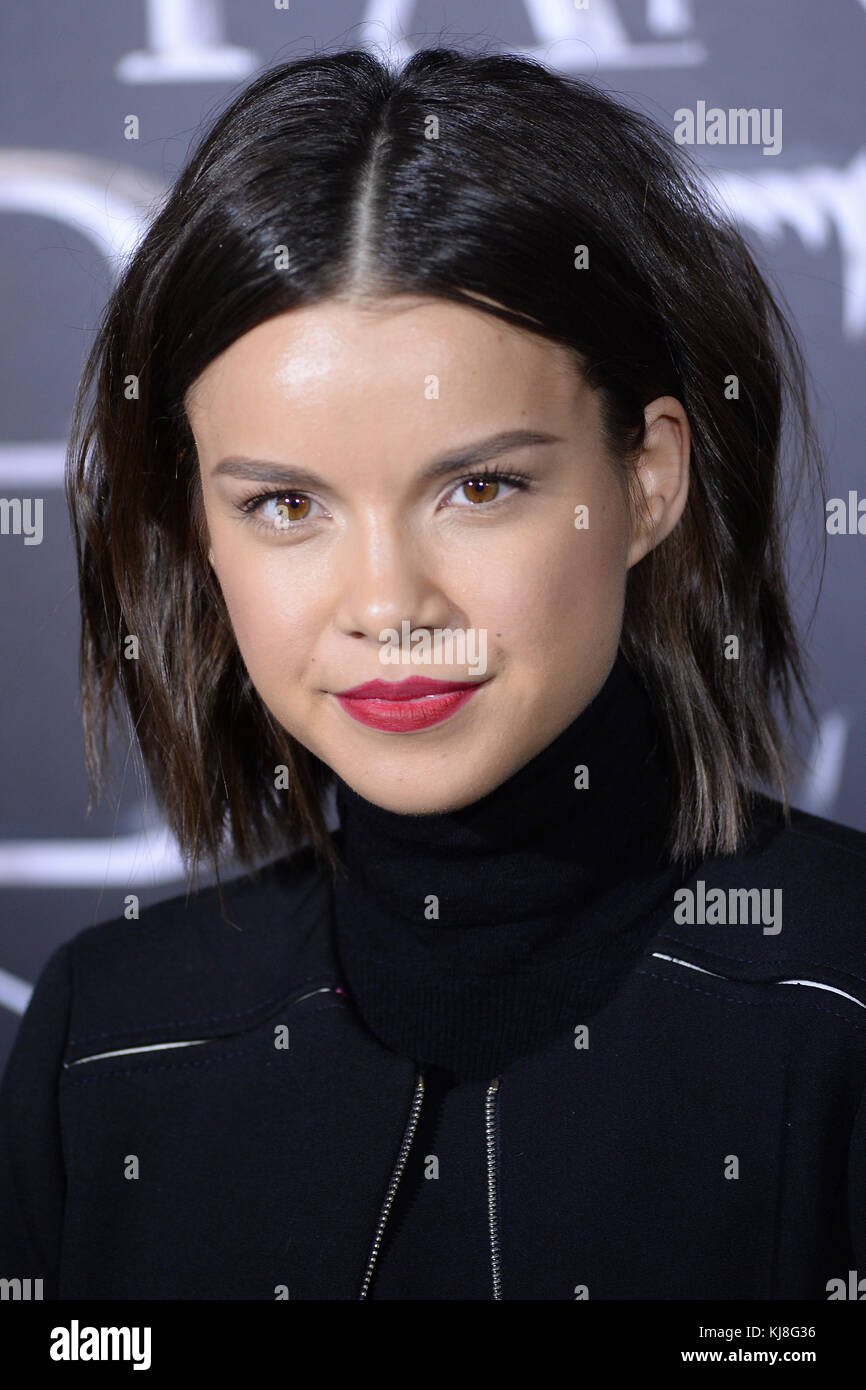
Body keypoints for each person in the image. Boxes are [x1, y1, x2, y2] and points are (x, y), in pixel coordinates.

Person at [1, 45, 864, 1302]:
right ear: (199, 523)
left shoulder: (839, 997)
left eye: (478, 487)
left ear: (647, 479)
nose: (386, 604)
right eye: (285, 502)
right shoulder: (105, 1037)